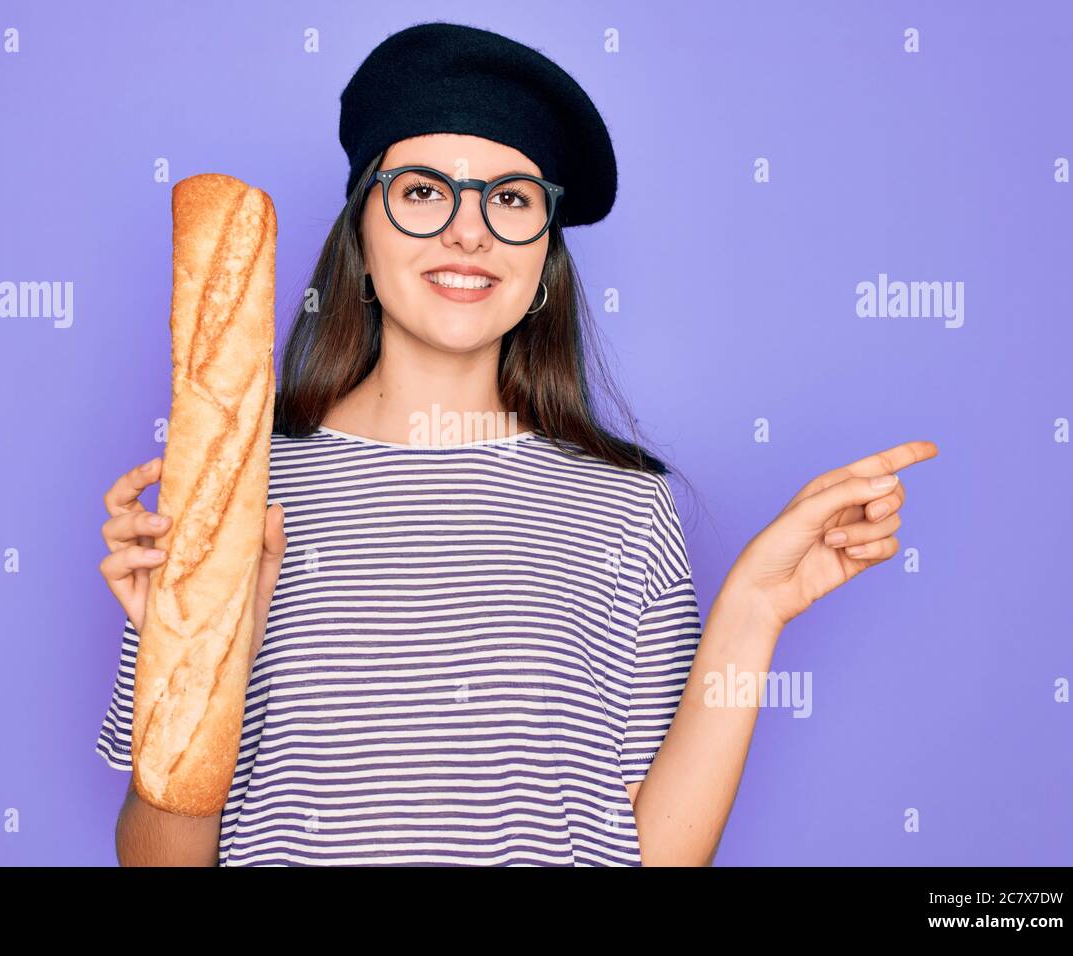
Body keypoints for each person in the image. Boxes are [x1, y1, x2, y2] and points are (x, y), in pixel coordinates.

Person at [95, 21, 937, 866]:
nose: (470, 231)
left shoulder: (626, 508)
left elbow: (660, 854)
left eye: (510, 199)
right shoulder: (230, 499)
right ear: (361, 239)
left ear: (543, 258)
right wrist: (207, 657)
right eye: (422, 191)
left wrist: (755, 608)